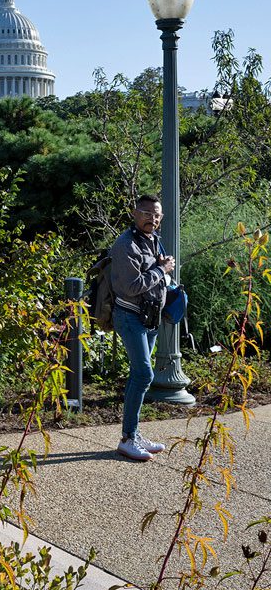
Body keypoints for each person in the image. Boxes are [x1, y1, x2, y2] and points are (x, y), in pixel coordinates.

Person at [109, 193, 171, 462]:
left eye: (156, 214)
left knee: (140, 376)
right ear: (134, 213)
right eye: (147, 213)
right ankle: (127, 440)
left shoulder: (152, 239)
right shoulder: (125, 245)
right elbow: (130, 287)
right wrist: (162, 271)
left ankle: (133, 433)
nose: (152, 218)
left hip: (150, 317)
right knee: (144, 374)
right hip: (130, 316)